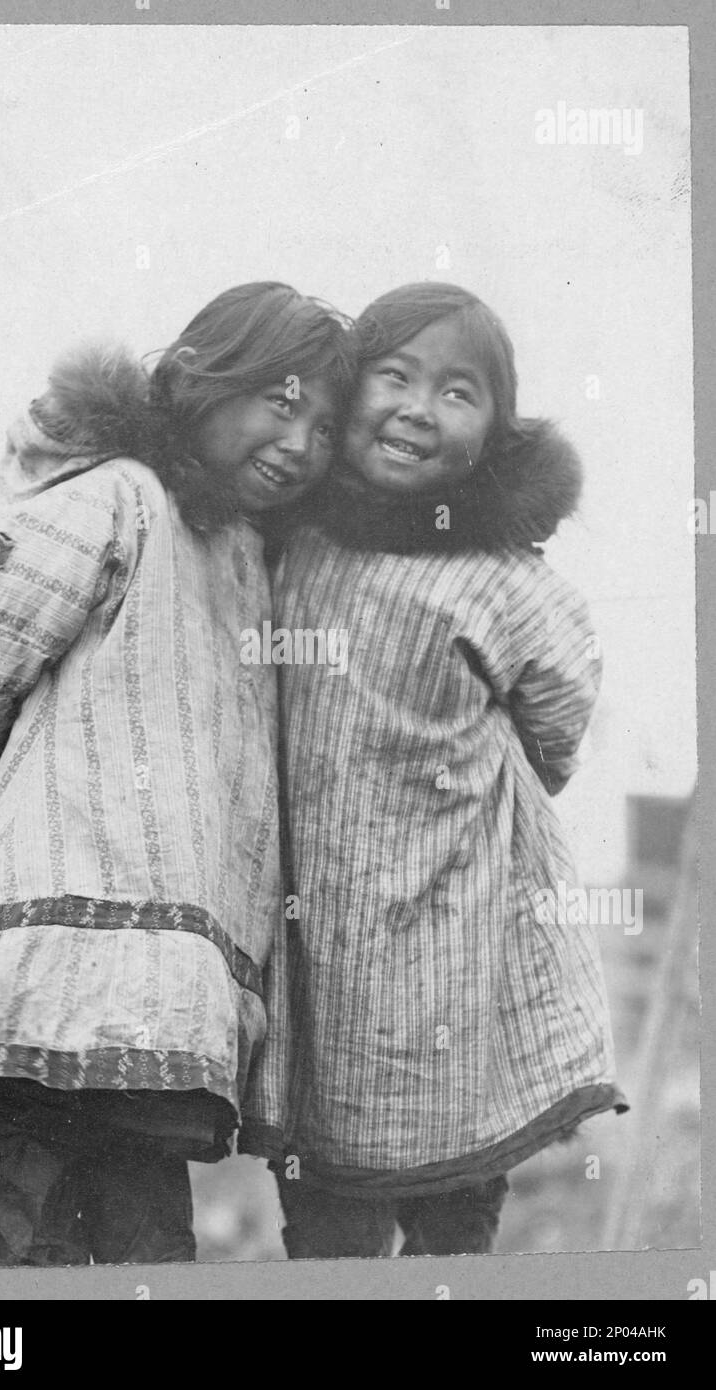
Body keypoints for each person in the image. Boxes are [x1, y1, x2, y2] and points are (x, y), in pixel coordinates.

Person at [0, 281, 354, 1266]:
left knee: (148, 1240)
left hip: (154, 1004)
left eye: (322, 420)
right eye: (280, 397)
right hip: (53, 949)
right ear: (200, 377)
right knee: (37, 1230)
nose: (301, 437)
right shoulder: (121, 494)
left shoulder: (244, 560)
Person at [241, 281, 627, 1258]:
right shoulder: (296, 543)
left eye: (457, 392)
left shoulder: (496, 576)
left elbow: (558, 714)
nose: (417, 407)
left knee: (455, 1224)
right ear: (347, 384)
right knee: (327, 1225)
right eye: (395, 375)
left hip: (456, 945)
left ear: (494, 430)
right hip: (326, 956)